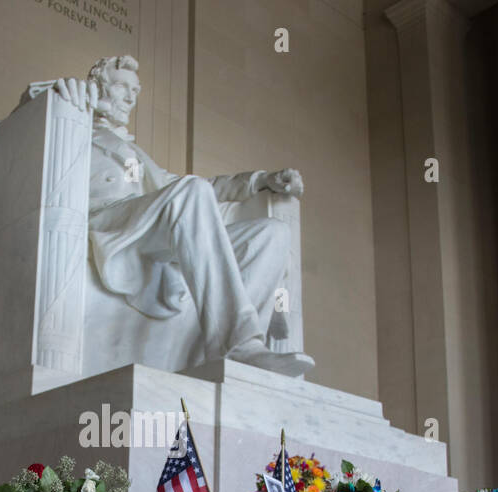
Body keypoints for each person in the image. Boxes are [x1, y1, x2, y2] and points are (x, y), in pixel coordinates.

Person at [45, 56, 314, 376]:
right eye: (121, 87)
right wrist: (57, 93)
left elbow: (204, 188)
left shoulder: (139, 156)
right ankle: (238, 344)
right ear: (96, 87)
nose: (131, 97)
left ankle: (238, 357)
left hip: (146, 220)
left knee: (272, 234)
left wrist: (259, 181)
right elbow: (18, 122)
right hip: (104, 222)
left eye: (135, 89)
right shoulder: (68, 117)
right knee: (191, 191)